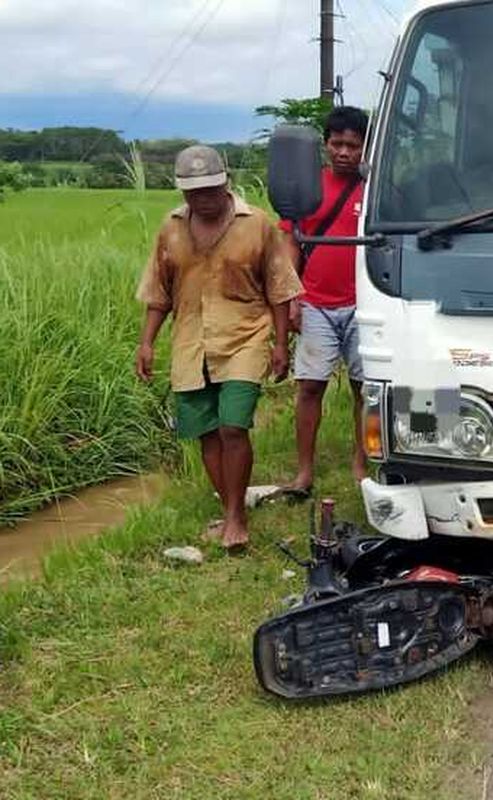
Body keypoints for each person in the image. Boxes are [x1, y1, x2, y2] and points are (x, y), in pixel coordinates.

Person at [135, 145, 302, 549]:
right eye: (194, 193)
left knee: (232, 426)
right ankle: (230, 509)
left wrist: (281, 344)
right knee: (206, 432)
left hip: (245, 337)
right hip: (190, 342)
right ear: (182, 192)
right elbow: (160, 291)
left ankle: (236, 517)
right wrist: (146, 343)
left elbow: (279, 289)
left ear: (225, 182)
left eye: (210, 189)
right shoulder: (171, 228)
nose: (203, 199)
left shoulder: (256, 223)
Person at [279, 106, 370, 494]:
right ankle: (304, 472)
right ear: (326, 145)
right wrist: (291, 296)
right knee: (310, 387)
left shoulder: (376, 190)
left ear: (366, 146)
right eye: (337, 144)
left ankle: (362, 464)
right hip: (316, 301)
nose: (344, 152)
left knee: (365, 389)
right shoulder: (308, 188)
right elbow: (290, 244)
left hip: (366, 304)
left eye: (353, 145)